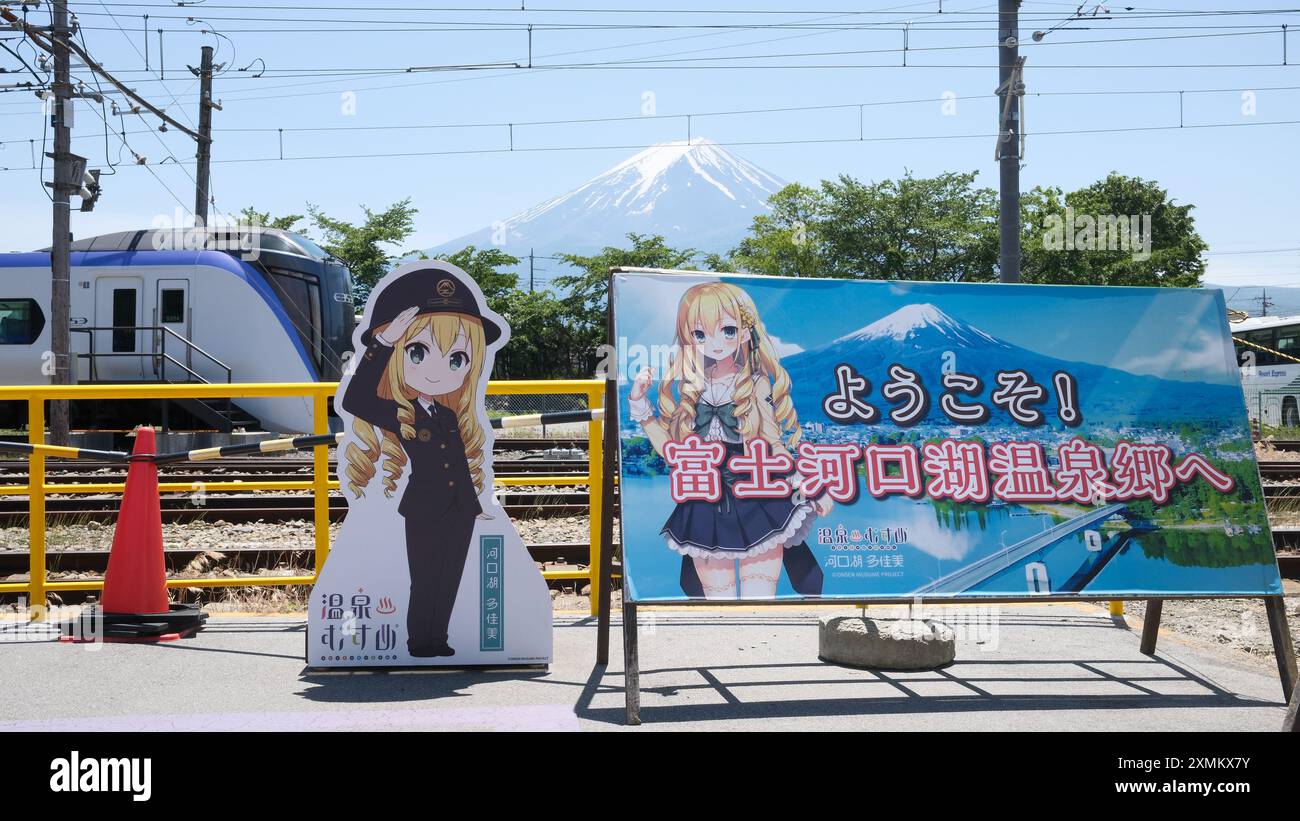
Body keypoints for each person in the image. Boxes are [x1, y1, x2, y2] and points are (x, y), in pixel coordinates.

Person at [628, 281, 827, 599]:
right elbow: (673, 452)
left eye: (728, 331)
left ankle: (765, 648)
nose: (716, 343)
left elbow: (772, 444)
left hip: (756, 490)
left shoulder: (755, 383)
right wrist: (642, 408)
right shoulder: (689, 388)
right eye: (700, 334)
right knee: (717, 600)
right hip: (704, 495)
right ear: (688, 339)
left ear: (746, 333)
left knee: (759, 595)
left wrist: (806, 483)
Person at [342, 266, 499, 657]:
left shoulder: (448, 415)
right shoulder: (401, 411)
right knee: (425, 577)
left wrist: (473, 505)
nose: (437, 371)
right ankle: (419, 641)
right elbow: (355, 400)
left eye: (458, 358)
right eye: (419, 352)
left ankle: (439, 639)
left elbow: (459, 463)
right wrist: (385, 343)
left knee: (450, 578)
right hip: (424, 508)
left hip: (459, 510)